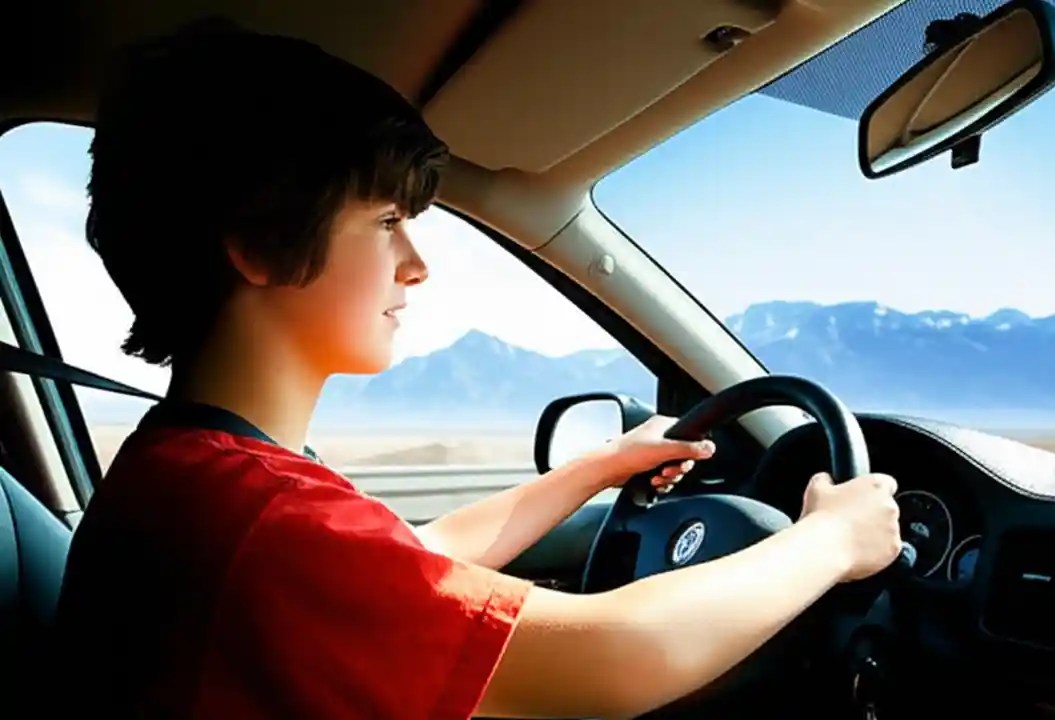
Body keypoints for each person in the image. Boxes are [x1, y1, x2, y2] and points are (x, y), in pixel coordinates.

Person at [52, 19, 904, 720]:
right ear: (260, 246)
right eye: (387, 222)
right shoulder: (262, 521)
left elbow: (411, 560)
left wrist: (592, 471)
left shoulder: (191, 476)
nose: (416, 264)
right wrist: (830, 540)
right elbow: (616, 658)